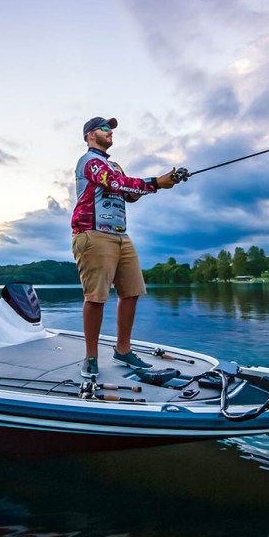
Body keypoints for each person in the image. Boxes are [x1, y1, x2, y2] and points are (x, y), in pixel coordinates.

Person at [72, 116, 179, 378]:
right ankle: (91, 357)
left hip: (121, 235)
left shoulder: (114, 165)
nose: (111, 132)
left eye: (112, 129)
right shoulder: (89, 162)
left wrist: (166, 182)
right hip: (92, 233)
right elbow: (115, 183)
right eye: (105, 128)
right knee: (96, 297)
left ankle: (123, 349)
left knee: (131, 292)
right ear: (89, 135)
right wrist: (154, 183)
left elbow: (128, 193)